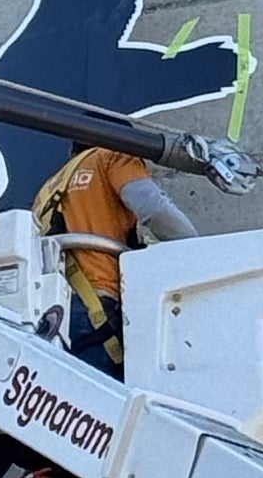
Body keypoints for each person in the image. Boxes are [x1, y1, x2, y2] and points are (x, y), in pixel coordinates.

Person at [35, 137, 195, 370]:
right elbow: (155, 210)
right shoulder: (112, 155)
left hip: (55, 311)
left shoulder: (47, 191)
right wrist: (202, 250)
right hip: (98, 306)